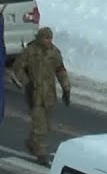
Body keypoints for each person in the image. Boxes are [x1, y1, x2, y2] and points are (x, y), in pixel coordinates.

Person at [11, 27, 71, 164]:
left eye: (50, 38)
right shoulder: (30, 51)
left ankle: (33, 143)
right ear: (40, 38)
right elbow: (17, 68)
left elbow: (60, 70)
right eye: (46, 38)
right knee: (40, 127)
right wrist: (26, 82)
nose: (48, 41)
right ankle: (41, 153)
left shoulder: (54, 53)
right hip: (34, 94)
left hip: (49, 95)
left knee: (47, 125)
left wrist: (66, 89)